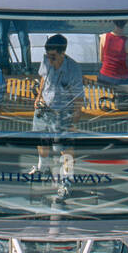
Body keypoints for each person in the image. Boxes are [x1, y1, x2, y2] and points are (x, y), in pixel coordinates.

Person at [33, 34, 84, 198]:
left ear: (63, 53)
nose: (50, 60)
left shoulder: (73, 69)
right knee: (41, 142)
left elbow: (78, 100)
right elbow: (43, 79)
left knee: (66, 151)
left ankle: (67, 180)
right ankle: (43, 168)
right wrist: (38, 97)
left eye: (53, 57)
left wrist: (73, 123)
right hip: (45, 108)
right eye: (48, 56)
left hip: (63, 112)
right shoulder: (47, 60)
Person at [97, 19, 128, 86]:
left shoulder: (103, 37)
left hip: (104, 78)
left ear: (113, 22)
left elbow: (101, 59)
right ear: (126, 24)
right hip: (121, 80)